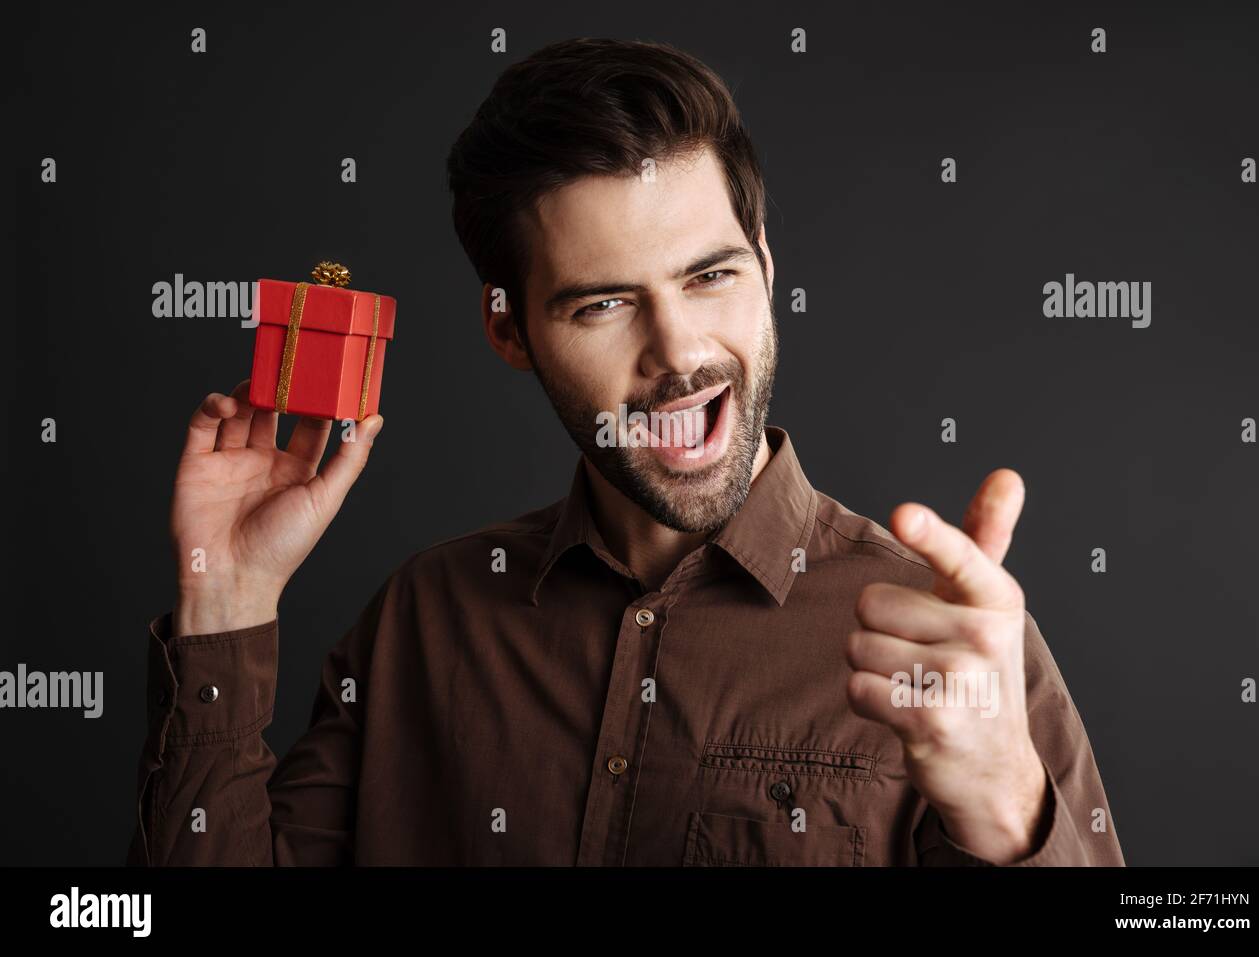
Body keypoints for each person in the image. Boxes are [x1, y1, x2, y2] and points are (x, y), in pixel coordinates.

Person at [128, 37, 1124, 866]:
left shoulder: (953, 649)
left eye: (708, 276)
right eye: (602, 303)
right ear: (510, 331)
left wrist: (1004, 810)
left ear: (766, 269)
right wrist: (229, 597)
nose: (679, 352)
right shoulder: (420, 626)